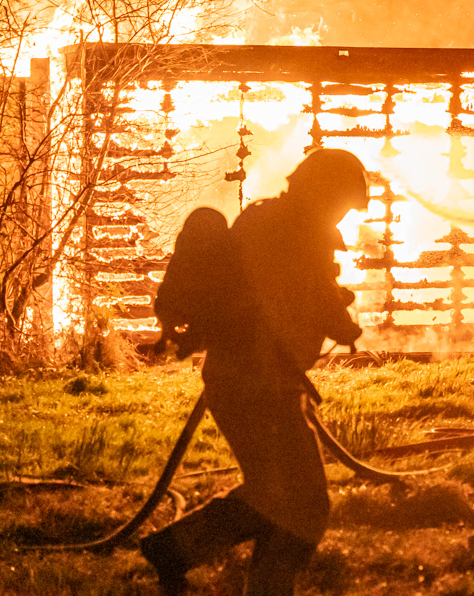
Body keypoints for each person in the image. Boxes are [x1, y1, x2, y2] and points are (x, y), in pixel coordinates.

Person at [141, 149, 368, 596]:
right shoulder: (292, 232)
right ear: (323, 194)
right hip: (257, 386)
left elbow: (282, 295)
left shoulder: (273, 222)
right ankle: (180, 550)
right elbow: (311, 304)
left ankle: (184, 552)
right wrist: (340, 318)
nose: (342, 215)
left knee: (281, 497)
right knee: (300, 502)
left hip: (252, 381)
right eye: (342, 204)